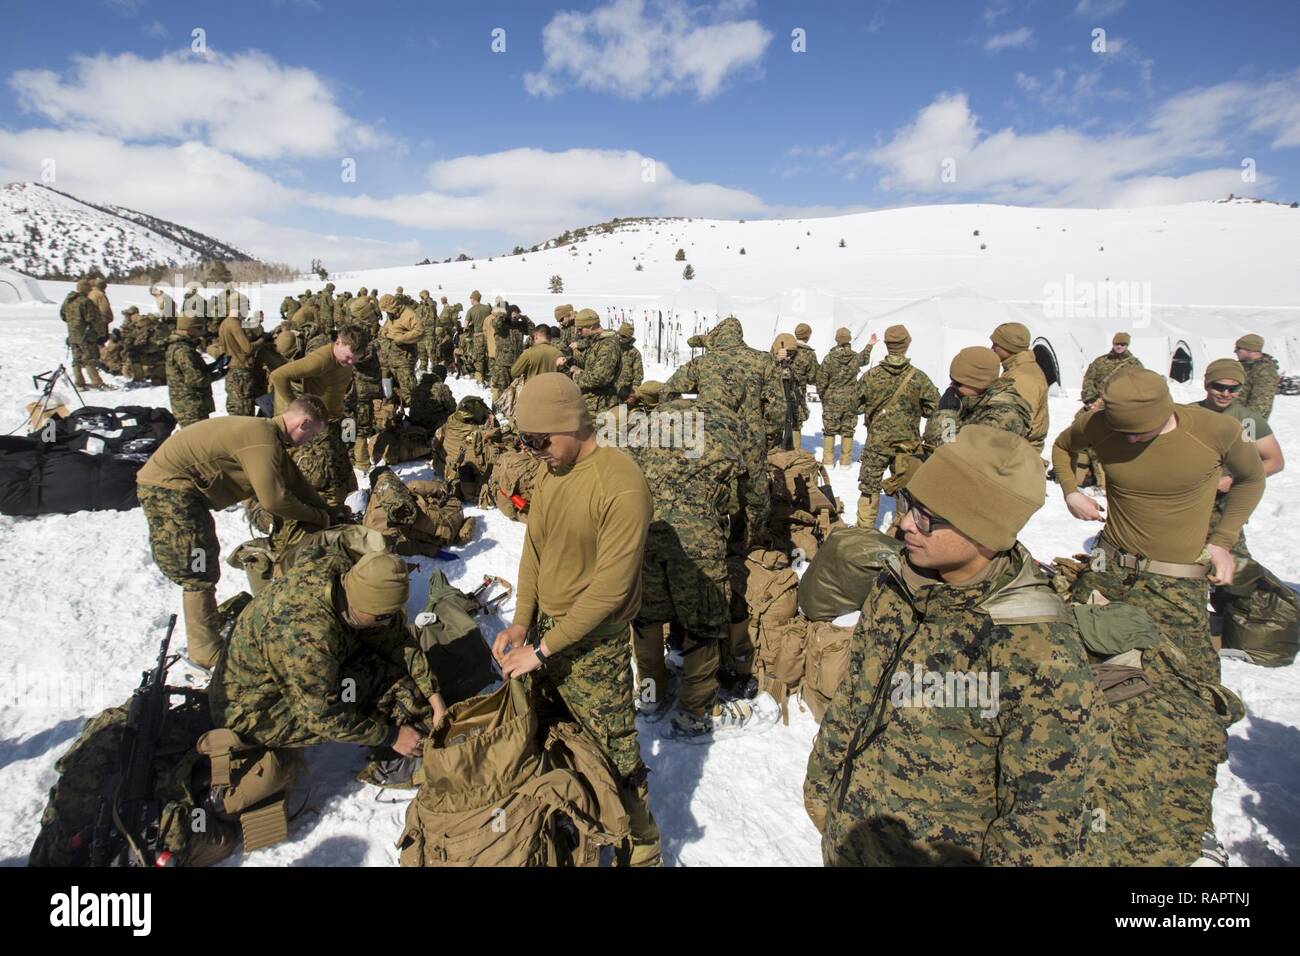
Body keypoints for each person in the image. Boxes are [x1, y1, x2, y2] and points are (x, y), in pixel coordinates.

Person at [804, 426, 1109, 865]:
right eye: (909, 504)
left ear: (984, 530)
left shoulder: (1037, 651)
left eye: (927, 516)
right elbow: (856, 695)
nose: (906, 523)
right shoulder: (899, 585)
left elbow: (1042, 823)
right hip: (853, 838)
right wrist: (821, 788)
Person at [491, 373, 661, 866]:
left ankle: (642, 844)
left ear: (571, 424)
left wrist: (542, 650)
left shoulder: (621, 485)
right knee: (549, 726)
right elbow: (535, 549)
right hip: (547, 631)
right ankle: (573, 809)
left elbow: (610, 590)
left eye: (539, 440)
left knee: (613, 748)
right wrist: (522, 622)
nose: (533, 451)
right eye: (525, 441)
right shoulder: (551, 472)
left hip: (595, 645)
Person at [206, 550, 445, 850]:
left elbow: (396, 640)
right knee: (379, 682)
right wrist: (391, 736)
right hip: (251, 711)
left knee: (390, 674)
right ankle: (391, 759)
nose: (386, 623)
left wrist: (435, 697)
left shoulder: (345, 576)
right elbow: (323, 717)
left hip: (290, 675)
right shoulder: (308, 636)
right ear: (362, 606)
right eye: (381, 618)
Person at [1050, 368, 1264, 685]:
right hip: (1107, 567)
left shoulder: (1217, 430)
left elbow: (1252, 479)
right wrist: (1071, 493)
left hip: (1176, 578)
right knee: (1081, 661)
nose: (1131, 439)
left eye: (1141, 432)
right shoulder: (1099, 425)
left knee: (1191, 680)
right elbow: (1062, 446)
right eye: (1123, 431)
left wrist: (1222, 541)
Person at [136, 397, 335, 668]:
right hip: (168, 490)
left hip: (181, 491)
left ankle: (207, 631)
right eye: (311, 434)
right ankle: (204, 652)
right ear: (303, 422)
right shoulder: (262, 440)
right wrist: (317, 517)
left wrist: (328, 512)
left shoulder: (268, 435)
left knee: (202, 562)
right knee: (198, 569)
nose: (310, 441)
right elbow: (274, 500)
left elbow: (295, 483)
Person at [633, 394, 773, 738]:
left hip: (643, 527)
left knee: (647, 615)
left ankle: (650, 696)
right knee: (704, 622)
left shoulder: (659, 416)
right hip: (697, 537)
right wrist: (747, 535)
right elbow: (756, 494)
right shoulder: (738, 426)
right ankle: (695, 715)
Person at [1193, 358, 1285, 563]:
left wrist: (1231, 480)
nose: (1226, 394)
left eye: (1234, 389)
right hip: (1189, 499)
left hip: (1222, 505)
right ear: (1207, 384)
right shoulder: (1189, 414)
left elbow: (1274, 461)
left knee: (1232, 561)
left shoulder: (1247, 420)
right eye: (1219, 387)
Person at [269, 326, 368, 506]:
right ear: (338, 342)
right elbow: (278, 376)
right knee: (327, 474)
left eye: (355, 359)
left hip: (334, 421)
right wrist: (296, 408)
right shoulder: (321, 360)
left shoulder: (345, 360)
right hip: (318, 427)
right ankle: (329, 511)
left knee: (344, 468)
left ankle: (352, 505)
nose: (350, 362)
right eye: (347, 357)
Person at [855, 324, 938, 529]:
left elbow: (854, 405)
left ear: (886, 345)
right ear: (907, 344)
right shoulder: (919, 378)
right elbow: (934, 408)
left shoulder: (871, 375)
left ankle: (863, 530)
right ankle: (902, 528)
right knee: (905, 485)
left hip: (876, 443)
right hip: (907, 446)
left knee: (869, 487)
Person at [923, 347, 1031, 447]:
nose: (952, 387)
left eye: (958, 383)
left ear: (979, 384)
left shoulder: (1002, 418)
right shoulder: (977, 400)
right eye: (951, 381)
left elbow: (955, 453)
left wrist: (946, 416)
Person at [816, 328, 874, 468]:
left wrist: (823, 396)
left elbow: (821, 380)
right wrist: (870, 345)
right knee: (848, 430)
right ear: (849, 339)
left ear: (836, 340)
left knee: (829, 430)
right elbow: (865, 358)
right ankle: (845, 462)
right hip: (850, 399)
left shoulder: (829, 358)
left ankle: (828, 461)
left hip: (832, 399)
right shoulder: (855, 357)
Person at [991, 321, 1049, 452]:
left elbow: (1018, 423)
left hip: (1019, 452)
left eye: (996, 344)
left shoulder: (1023, 377)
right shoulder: (1016, 368)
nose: (992, 348)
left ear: (1008, 346)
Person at [566, 309, 623, 416]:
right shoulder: (596, 342)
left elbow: (600, 377)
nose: (579, 333)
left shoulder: (607, 345)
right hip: (592, 404)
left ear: (591, 327)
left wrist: (577, 376)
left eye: (580, 329)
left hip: (601, 407)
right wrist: (568, 362)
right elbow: (589, 364)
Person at [166, 315, 216, 427]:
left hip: (189, 407)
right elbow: (197, 379)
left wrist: (214, 366)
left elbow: (193, 371)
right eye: (199, 328)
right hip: (191, 409)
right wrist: (218, 374)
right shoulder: (183, 351)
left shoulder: (179, 347)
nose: (202, 332)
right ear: (189, 329)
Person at [60, 278, 109, 390]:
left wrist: (73, 324)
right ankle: (97, 382)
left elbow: (63, 316)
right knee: (89, 359)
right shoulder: (86, 302)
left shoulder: (68, 300)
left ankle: (79, 382)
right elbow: (93, 319)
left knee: (76, 359)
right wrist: (101, 332)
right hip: (86, 335)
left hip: (73, 335)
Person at [1081, 332, 1143, 407]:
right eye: (1117, 344)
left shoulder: (1135, 364)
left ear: (1127, 345)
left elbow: (1140, 384)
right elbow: (1088, 379)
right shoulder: (1100, 361)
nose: (1119, 346)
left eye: (1123, 344)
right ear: (1113, 344)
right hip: (1098, 402)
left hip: (1122, 404)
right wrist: (1091, 398)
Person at [1233, 333, 1280, 418]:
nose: (1235, 351)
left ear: (1250, 350)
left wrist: (1243, 422)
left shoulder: (1265, 372)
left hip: (1244, 421)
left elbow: (1259, 407)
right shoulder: (1244, 366)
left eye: (1238, 348)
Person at [615, 323, 644, 402]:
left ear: (629, 338)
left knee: (622, 410)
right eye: (619, 335)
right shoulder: (612, 348)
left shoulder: (634, 353)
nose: (620, 338)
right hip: (609, 392)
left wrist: (632, 393)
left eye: (624, 336)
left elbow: (638, 376)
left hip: (624, 393)